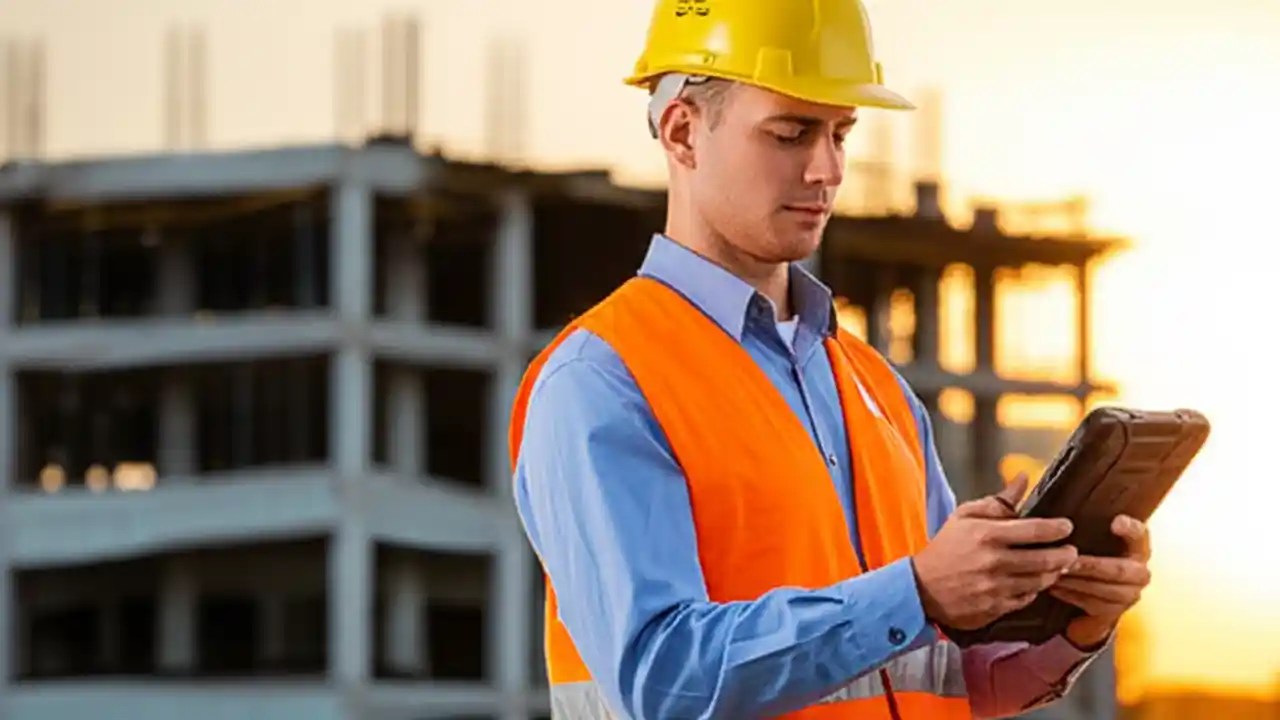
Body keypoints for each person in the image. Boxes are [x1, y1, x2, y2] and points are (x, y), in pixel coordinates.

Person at [509, 1, 1153, 717]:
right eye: (791, 134)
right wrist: (917, 590)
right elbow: (664, 679)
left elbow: (943, 673)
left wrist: (1072, 622)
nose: (828, 170)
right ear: (683, 131)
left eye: (842, 134)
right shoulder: (601, 380)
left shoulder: (874, 385)